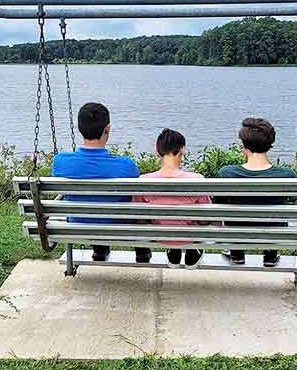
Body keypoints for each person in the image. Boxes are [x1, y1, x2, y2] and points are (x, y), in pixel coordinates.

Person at [52, 102, 142, 262]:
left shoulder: (60, 162)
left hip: (78, 224)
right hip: (118, 227)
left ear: (80, 128)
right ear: (107, 129)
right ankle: (141, 251)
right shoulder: (126, 166)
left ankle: (99, 248)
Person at [217, 117, 296, 267]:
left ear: (244, 147)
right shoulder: (287, 175)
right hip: (273, 231)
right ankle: (271, 253)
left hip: (236, 231)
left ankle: (237, 252)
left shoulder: (226, 173)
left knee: (233, 218)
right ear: (269, 145)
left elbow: (220, 203)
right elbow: (291, 200)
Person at [133, 128, 211, 268]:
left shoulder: (144, 181)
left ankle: (173, 250)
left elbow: (139, 217)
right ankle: (193, 249)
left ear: (157, 151)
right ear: (182, 150)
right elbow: (205, 218)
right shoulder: (196, 180)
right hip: (189, 236)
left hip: (160, 236)